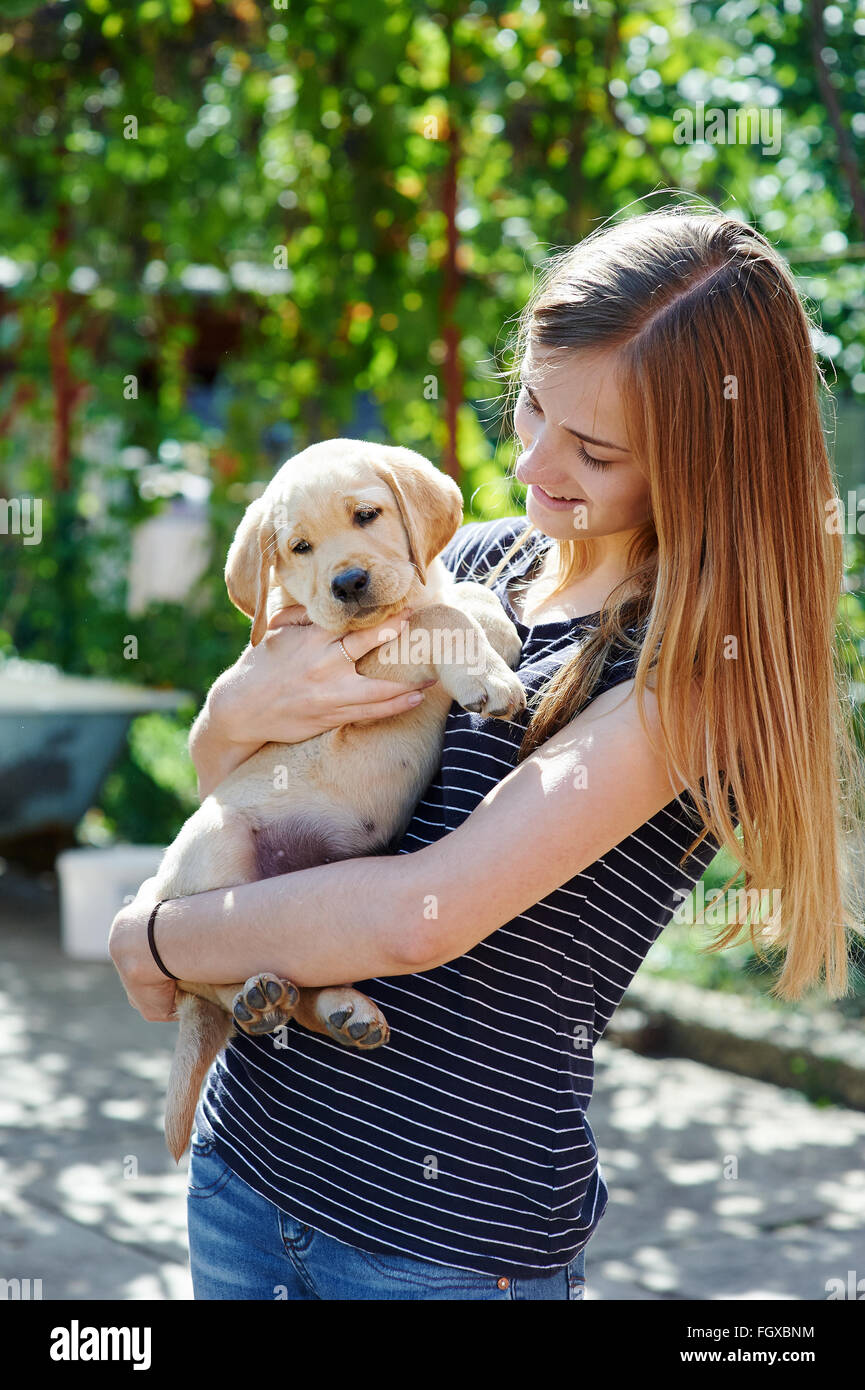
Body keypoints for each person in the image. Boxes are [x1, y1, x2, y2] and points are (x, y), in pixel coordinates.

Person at [110, 203, 864, 1301]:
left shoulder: (691, 675)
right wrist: (233, 708)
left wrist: (159, 936)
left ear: (707, 464)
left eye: (592, 450)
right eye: (532, 406)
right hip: (249, 1171)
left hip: (437, 1245)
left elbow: (423, 915)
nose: (531, 459)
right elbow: (253, 782)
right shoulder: (474, 555)